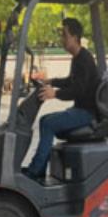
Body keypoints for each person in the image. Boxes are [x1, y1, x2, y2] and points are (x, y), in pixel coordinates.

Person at [24, 17, 100, 182]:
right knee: (44, 120)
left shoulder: (84, 59)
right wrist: (51, 82)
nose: (62, 39)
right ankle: (39, 169)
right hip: (81, 110)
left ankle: (35, 170)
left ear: (75, 37)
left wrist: (55, 94)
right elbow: (70, 81)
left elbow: (78, 90)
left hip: (87, 113)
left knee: (48, 124)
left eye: (65, 35)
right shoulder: (78, 57)